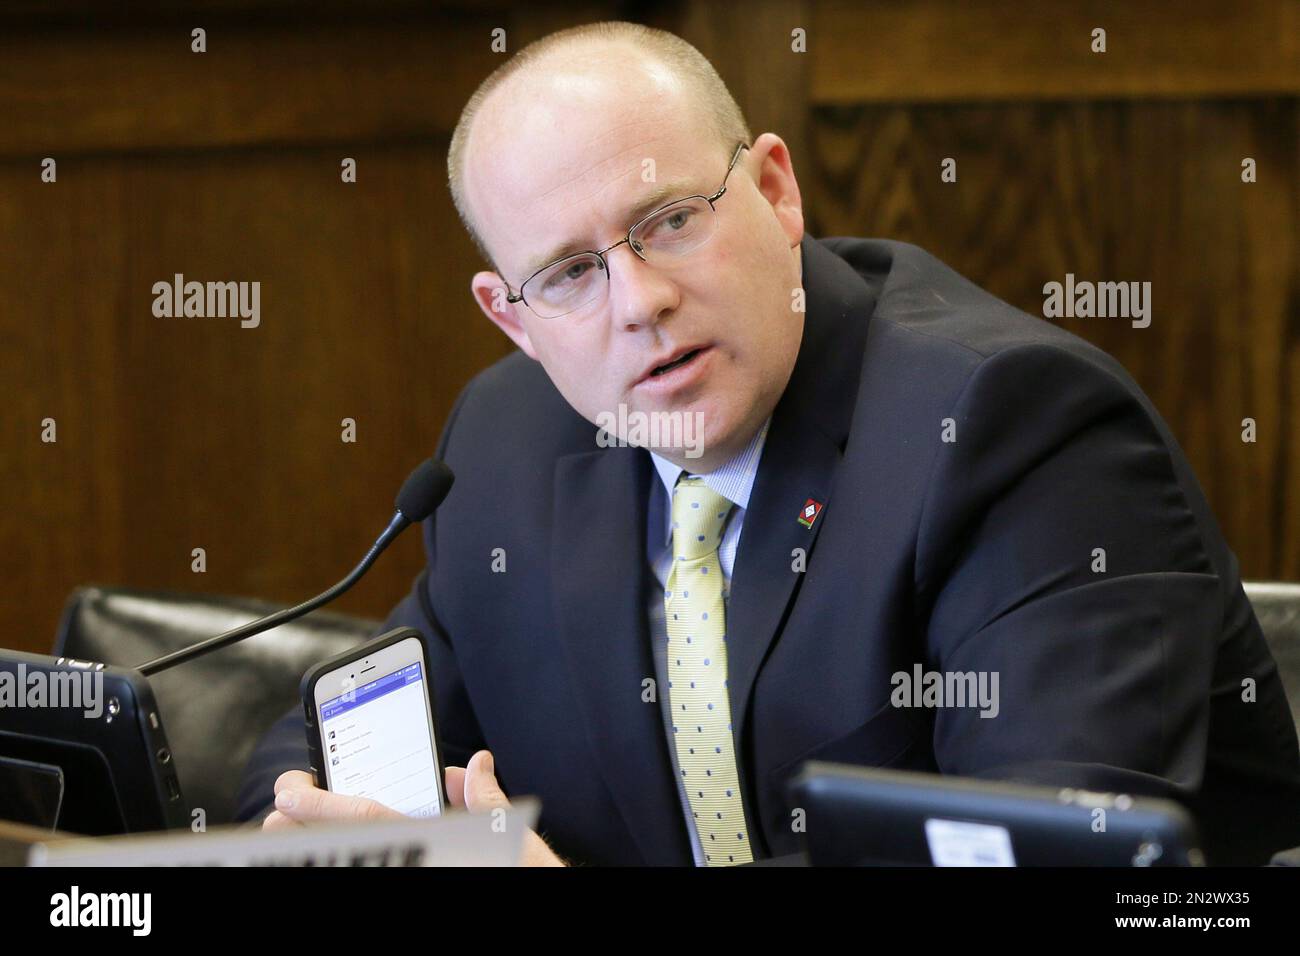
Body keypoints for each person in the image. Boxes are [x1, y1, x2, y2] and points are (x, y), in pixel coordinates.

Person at [236, 20, 1300, 866]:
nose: (640, 301)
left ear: (776, 191)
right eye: (568, 274)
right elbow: (342, 732)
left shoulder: (1011, 424)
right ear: (511, 317)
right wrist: (313, 828)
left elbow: (1050, 855)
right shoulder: (504, 443)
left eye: (670, 221)